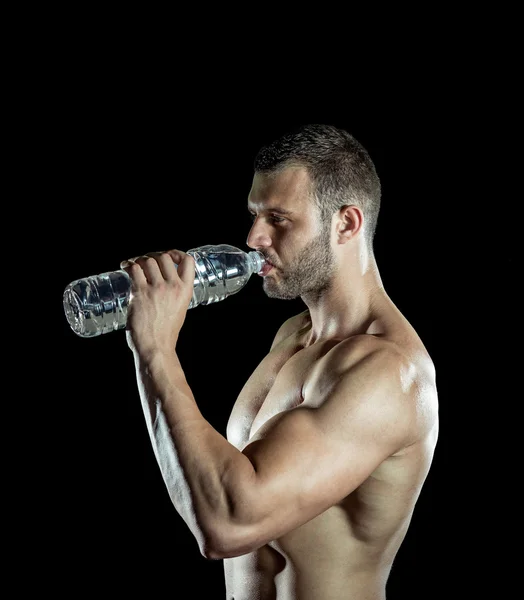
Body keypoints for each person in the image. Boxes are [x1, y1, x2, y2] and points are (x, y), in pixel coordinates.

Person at [120, 124, 439, 599]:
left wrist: (156, 351)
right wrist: (149, 347)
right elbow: (214, 486)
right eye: (253, 215)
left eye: (278, 218)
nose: (253, 237)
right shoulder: (293, 337)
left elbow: (229, 524)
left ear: (346, 223)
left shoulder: (386, 373)